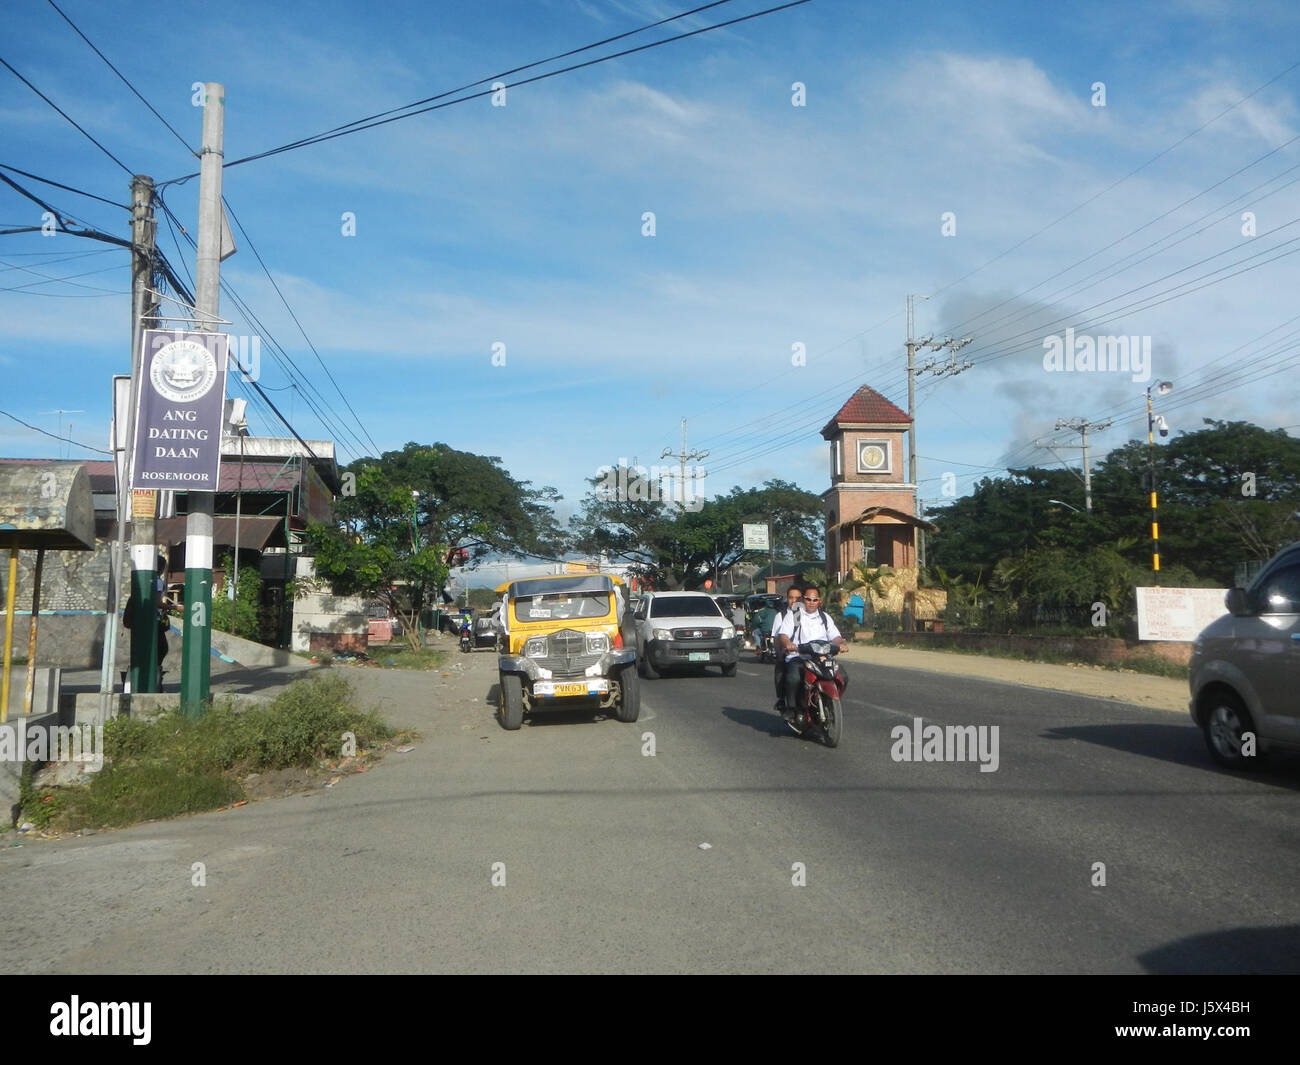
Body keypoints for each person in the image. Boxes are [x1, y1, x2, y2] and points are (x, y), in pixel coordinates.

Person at [774, 582, 845, 725]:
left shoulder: (825, 617)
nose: (811, 603)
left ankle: (830, 701)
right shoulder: (795, 615)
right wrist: (788, 643)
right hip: (799, 657)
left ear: (820, 601)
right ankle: (792, 709)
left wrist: (839, 644)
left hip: (822, 657)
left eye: (815, 600)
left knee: (843, 676)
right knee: (793, 677)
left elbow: (836, 636)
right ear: (803, 600)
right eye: (808, 599)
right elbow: (783, 635)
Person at [772, 584, 804, 707]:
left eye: (797, 598)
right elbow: (776, 638)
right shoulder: (780, 616)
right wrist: (781, 654)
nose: (794, 601)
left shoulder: (808, 614)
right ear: (787, 598)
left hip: (808, 653)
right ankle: (781, 698)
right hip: (789, 654)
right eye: (791, 597)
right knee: (781, 668)